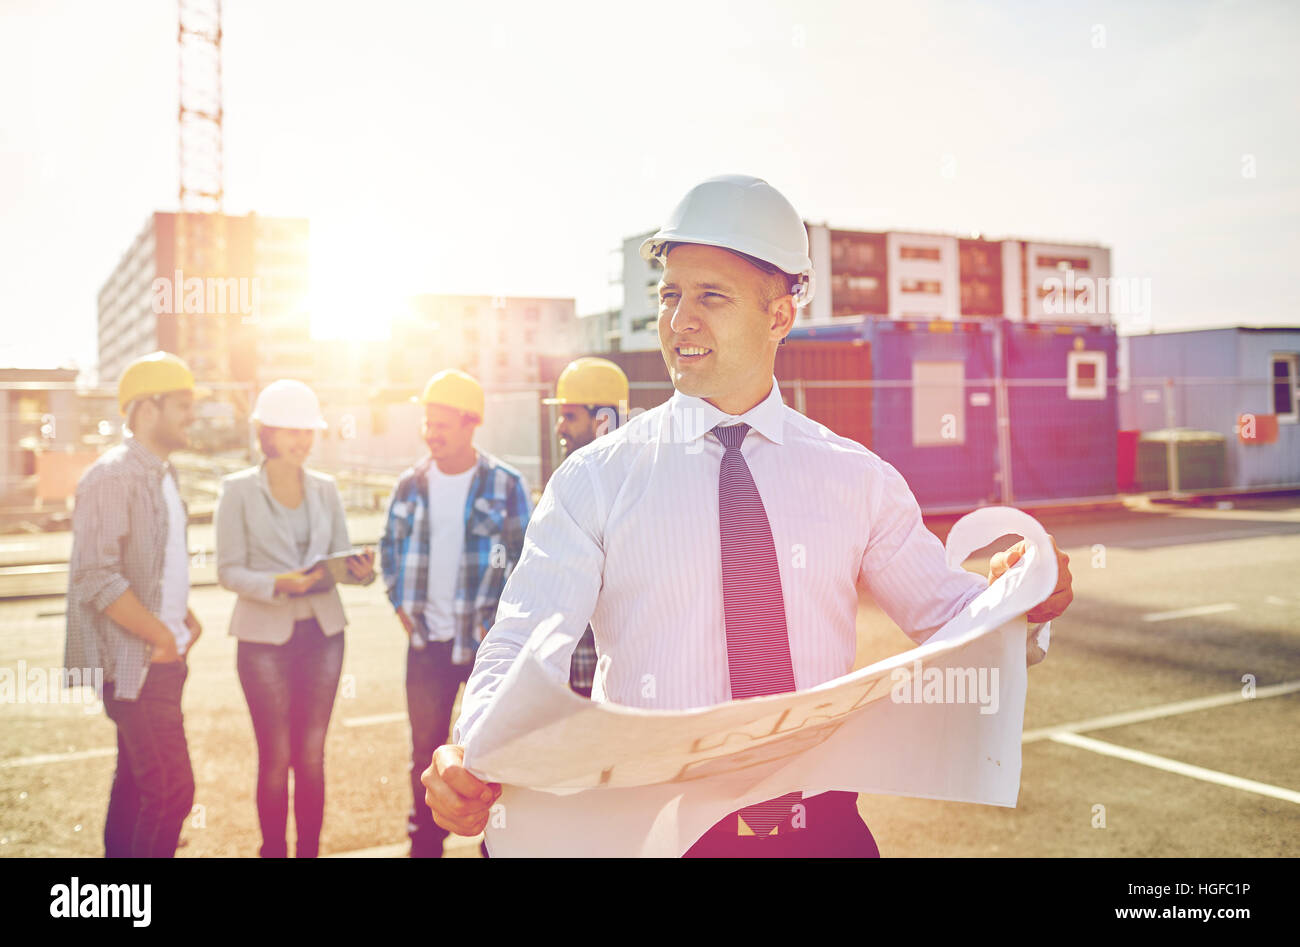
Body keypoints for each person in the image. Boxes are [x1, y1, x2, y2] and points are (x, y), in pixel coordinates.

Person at [422, 174, 1075, 857]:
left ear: (779, 315)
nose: (679, 321)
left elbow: (952, 615)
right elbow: (524, 636)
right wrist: (473, 746)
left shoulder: (856, 478)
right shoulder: (594, 481)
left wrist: (1023, 596)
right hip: (661, 836)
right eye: (671, 295)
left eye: (711, 296)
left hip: (822, 836)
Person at [214, 379, 374, 858]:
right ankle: (273, 852)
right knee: (276, 756)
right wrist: (278, 583)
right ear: (266, 431)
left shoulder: (325, 490)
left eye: (309, 432)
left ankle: (308, 852)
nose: (303, 441)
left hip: (323, 633)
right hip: (263, 639)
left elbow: (341, 561)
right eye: (292, 431)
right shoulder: (237, 490)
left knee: (311, 756)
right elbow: (227, 570)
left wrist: (360, 573)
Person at [380, 369, 532, 857]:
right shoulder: (410, 484)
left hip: (485, 644)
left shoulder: (505, 485)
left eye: (441, 423)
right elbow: (390, 548)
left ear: (471, 423)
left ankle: (498, 842)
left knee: (489, 750)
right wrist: (399, 602)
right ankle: (424, 843)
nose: (431, 432)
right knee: (424, 750)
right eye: (427, 422)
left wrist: (496, 624)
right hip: (426, 644)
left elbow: (527, 559)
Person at [65, 351, 205, 857]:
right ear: (148, 408)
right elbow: (94, 575)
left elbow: (150, 563)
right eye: (183, 404)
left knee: (135, 789)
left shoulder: (163, 475)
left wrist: (182, 617)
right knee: (171, 791)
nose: (193, 415)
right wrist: (161, 635)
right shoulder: (113, 475)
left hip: (159, 660)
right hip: (137, 665)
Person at [542, 357, 630, 698]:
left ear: (604, 419)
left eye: (569, 416)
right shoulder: (568, 484)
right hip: (580, 670)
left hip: (625, 674)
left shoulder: (639, 486)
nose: (559, 428)